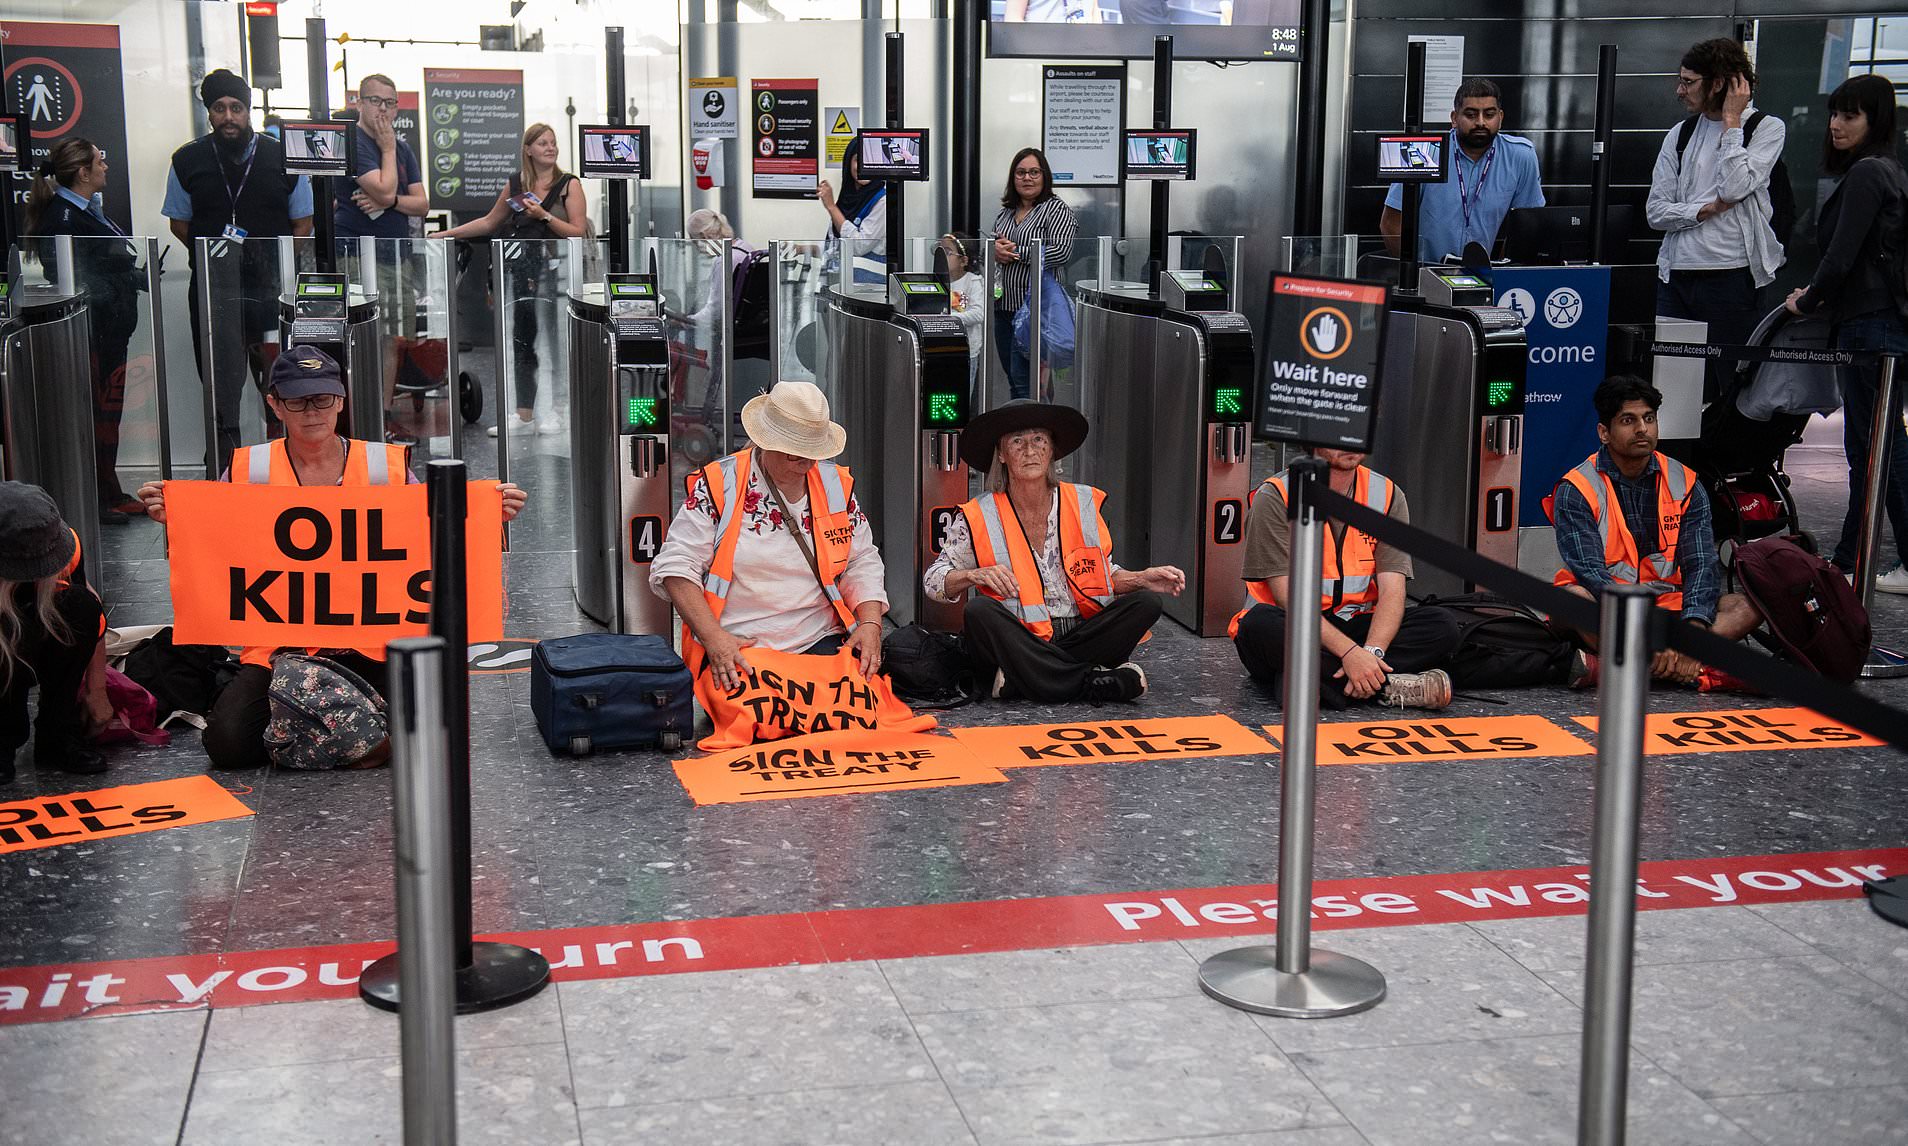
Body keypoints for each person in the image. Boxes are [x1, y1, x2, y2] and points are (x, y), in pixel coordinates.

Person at [137, 348, 526, 770]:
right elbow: (214, 547)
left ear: (340, 400)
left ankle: (325, 721)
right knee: (228, 745)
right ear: (275, 404)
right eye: (297, 401)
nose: (312, 411)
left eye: (322, 398)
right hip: (279, 642)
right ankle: (352, 732)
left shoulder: (384, 467)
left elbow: (429, 535)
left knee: (430, 734)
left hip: (373, 638)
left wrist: (485, 518)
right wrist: (174, 520)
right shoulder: (250, 469)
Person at [924, 401, 1183, 703]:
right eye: (1017, 442)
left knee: (1146, 603)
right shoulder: (978, 513)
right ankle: (1088, 680)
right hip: (1019, 637)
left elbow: (1102, 575)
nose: (1029, 450)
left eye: (1038, 440)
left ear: (1051, 451)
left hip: (1081, 633)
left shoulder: (1082, 502)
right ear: (1002, 455)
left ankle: (1026, 680)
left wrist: (1141, 578)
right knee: (978, 612)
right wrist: (973, 574)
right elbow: (933, 581)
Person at [650, 380, 888, 692]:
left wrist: (870, 624)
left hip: (820, 640)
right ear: (765, 442)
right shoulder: (721, 485)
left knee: (854, 713)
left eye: (812, 453)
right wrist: (715, 640)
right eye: (794, 454)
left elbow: (862, 560)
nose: (805, 464)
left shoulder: (834, 486)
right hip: (741, 646)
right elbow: (676, 567)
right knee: (761, 723)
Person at [1545, 375, 1761, 685]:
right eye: (1628, 420)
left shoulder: (1685, 482)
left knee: (1746, 606)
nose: (1642, 429)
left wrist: (1695, 629)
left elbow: (1701, 563)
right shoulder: (1576, 488)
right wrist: (1647, 631)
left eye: (1649, 418)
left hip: (1668, 606)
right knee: (1574, 600)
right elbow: (1592, 574)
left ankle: (1628, 664)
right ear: (1604, 433)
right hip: (1608, 609)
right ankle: (1685, 665)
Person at [1782, 74, 1908, 591]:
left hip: (1869, 324)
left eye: (1850, 115)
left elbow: (1840, 257)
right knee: (1871, 447)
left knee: (1881, 448)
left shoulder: (1867, 174)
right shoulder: (1892, 173)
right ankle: (1849, 554)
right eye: (1835, 113)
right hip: (1883, 323)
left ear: (1874, 121)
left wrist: (1806, 301)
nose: (1836, 124)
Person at [162, 69, 314, 464]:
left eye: (236, 108)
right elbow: (180, 224)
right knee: (220, 387)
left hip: (271, 293)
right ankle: (226, 468)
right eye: (219, 108)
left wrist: (273, 264)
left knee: (281, 380)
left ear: (248, 111)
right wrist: (220, 262)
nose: (228, 116)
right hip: (216, 295)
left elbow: (303, 224)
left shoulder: (281, 155)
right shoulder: (186, 160)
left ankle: (286, 460)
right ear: (208, 113)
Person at [1230, 449, 1458, 710]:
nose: (1350, 442)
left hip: (1355, 625)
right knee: (1258, 624)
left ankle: (1320, 680)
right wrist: (1349, 653)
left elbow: (1393, 592)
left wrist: (1371, 654)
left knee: (1441, 624)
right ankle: (1385, 686)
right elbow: (1287, 598)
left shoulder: (1386, 494)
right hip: (1292, 627)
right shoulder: (1276, 496)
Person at [1646, 37, 1787, 401]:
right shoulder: (1680, 133)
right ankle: (1678, 457)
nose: (1680, 90)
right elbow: (1656, 211)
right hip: (1676, 275)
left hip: (1732, 275)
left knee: (1733, 386)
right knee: (1672, 391)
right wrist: (1700, 210)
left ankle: (1729, 458)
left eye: (1689, 82)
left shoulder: (1766, 128)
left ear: (1720, 82)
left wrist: (1730, 120)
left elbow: (1736, 185)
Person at [436, 122, 589, 437]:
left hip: (558, 279)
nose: (550, 147)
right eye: (543, 143)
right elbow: (491, 221)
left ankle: (559, 410)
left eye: (553, 142)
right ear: (529, 149)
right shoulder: (517, 184)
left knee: (557, 344)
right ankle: (524, 414)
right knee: (523, 341)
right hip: (521, 276)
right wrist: (445, 234)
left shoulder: (569, 184)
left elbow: (578, 231)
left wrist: (544, 217)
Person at [25, 138, 147, 526]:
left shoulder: (85, 211)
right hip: (94, 333)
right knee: (97, 415)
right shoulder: (63, 219)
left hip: (111, 330)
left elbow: (102, 267)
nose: (105, 167)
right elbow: (68, 277)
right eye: (99, 161)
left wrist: (132, 277)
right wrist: (117, 284)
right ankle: (101, 496)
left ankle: (108, 489)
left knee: (106, 414)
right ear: (82, 172)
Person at [335, 75, 429, 445]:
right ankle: (354, 417)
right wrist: (387, 152)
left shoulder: (403, 149)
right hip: (356, 253)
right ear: (360, 101)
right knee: (358, 336)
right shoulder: (354, 142)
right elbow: (389, 188)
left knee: (392, 337)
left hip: (394, 254)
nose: (384, 110)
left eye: (391, 103)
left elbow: (421, 204)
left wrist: (387, 201)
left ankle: (384, 415)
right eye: (376, 101)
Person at [0, 482, 111, 781]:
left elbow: (94, 617)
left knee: (81, 606)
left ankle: (58, 733)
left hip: (37, 622)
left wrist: (97, 691)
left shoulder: (62, 542)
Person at [1380, 78, 1544, 264]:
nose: (1481, 122)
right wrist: (1413, 274)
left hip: (1484, 278)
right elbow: (1390, 223)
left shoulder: (1521, 156)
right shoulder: (1423, 152)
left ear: (1501, 117)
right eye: (1471, 115)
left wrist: (1500, 275)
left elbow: (1526, 227)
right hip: (1426, 274)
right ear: (1454, 118)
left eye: (1489, 115)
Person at [991, 148, 1077, 400]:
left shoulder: (1056, 209)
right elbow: (996, 248)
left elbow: (1061, 252)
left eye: (1033, 172)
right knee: (1015, 379)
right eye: (1020, 173)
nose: (1027, 178)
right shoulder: (1005, 213)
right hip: (1004, 308)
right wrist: (995, 251)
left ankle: (1036, 437)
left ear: (1044, 176)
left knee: (1026, 384)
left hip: (1036, 313)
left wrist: (1016, 252)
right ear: (1012, 178)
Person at [817, 142, 887, 288]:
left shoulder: (882, 201)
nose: (863, 166)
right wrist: (801, 248)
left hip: (869, 292)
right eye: (858, 160)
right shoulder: (846, 199)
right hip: (839, 285)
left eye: (870, 161)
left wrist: (831, 207)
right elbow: (834, 245)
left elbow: (859, 246)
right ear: (848, 163)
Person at [940, 232, 985, 386]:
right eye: (939, 251)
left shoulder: (973, 281)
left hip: (966, 351)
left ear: (963, 260)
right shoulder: (937, 282)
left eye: (947, 252)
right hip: (941, 348)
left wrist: (949, 319)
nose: (941, 256)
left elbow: (978, 314)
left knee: (963, 391)